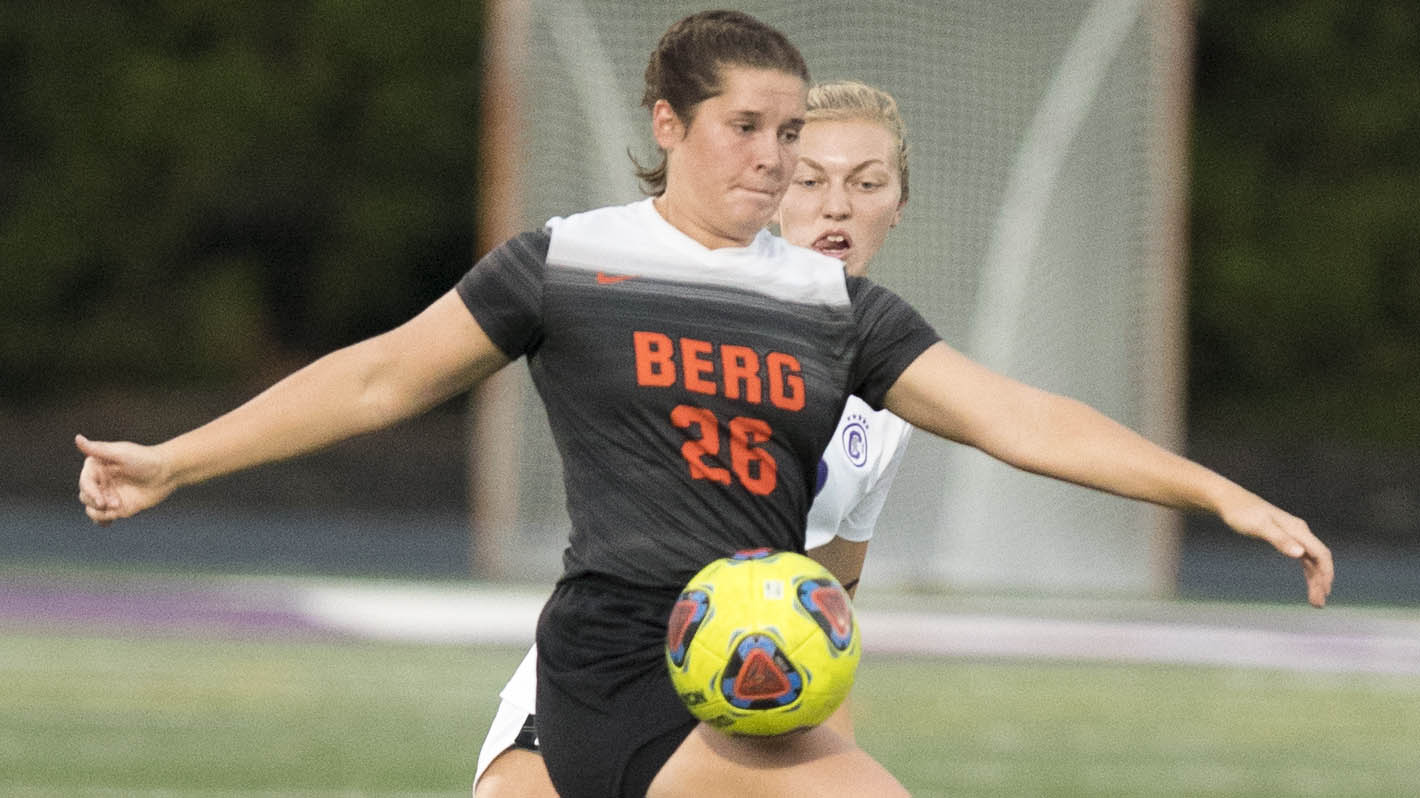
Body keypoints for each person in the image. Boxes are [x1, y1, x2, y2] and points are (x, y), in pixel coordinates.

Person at [77, 11, 1332, 798]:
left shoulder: (835, 310)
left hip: (744, 660)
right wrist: (177, 462)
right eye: (748, 127)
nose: (775, 159)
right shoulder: (569, 262)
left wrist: (1213, 488)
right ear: (670, 122)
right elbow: (376, 376)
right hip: (624, 645)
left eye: (790, 132)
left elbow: (1017, 416)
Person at [471, 78, 913, 798]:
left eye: (868, 183)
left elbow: (828, 601)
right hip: (594, 696)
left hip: (743, 712)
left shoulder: (892, 398)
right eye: (809, 180)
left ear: (899, 205)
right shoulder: (690, 320)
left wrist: (826, 745)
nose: (837, 206)